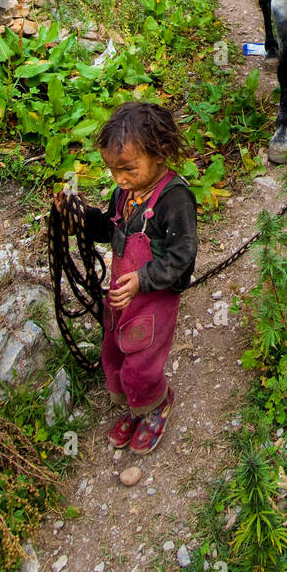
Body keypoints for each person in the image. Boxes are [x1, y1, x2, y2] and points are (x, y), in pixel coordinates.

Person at [55, 101, 198, 455]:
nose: (120, 179)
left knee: (142, 361)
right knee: (115, 352)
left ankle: (157, 403)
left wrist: (143, 279)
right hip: (122, 293)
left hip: (154, 297)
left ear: (161, 153)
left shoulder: (175, 199)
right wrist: (80, 218)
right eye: (114, 171)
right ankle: (138, 406)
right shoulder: (125, 194)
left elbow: (182, 256)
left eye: (128, 169)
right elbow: (110, 230)